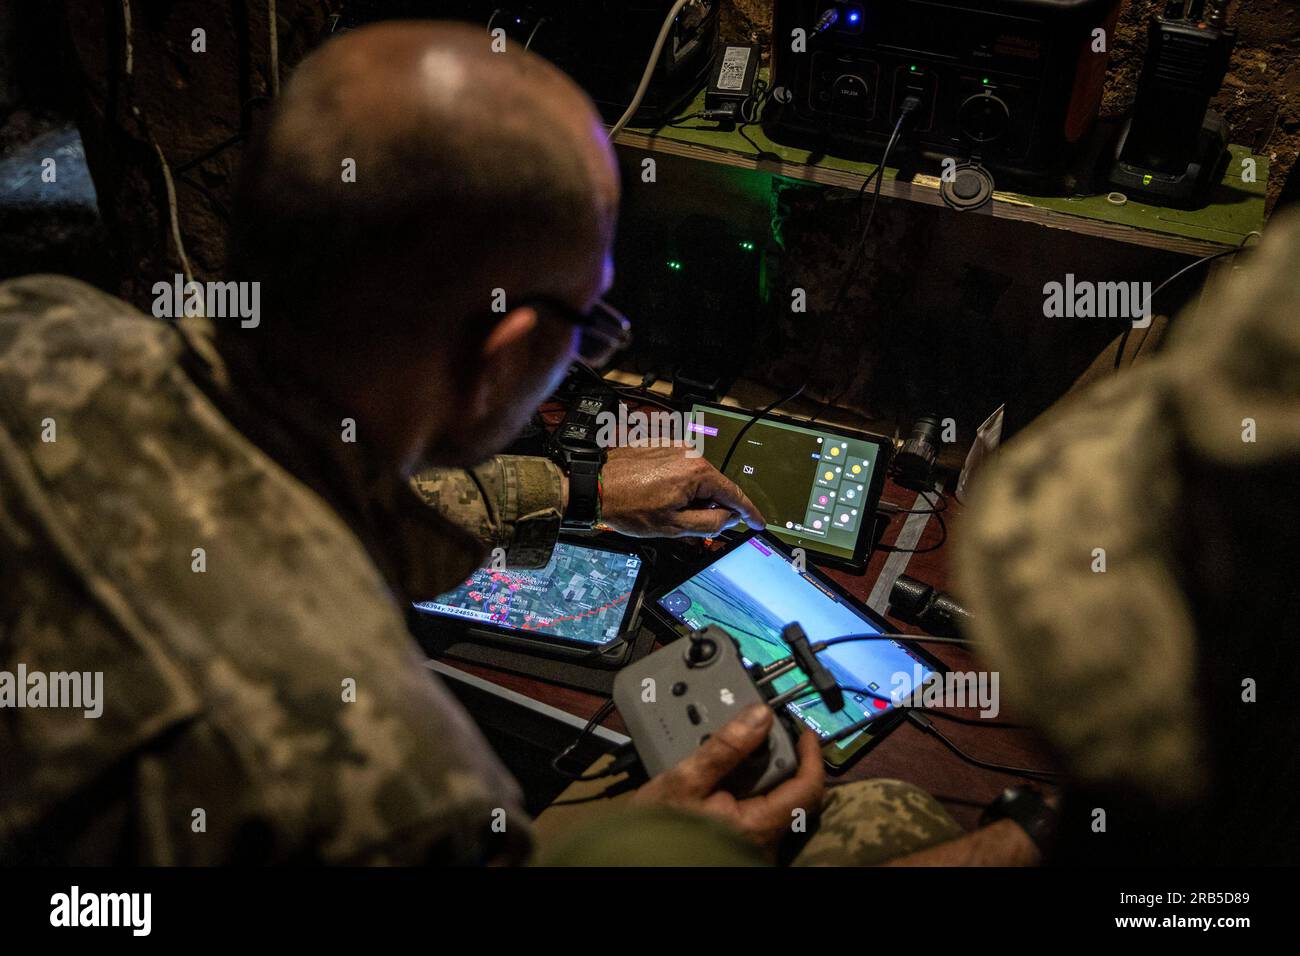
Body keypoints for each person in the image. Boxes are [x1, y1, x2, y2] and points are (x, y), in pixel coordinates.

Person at [0, 21, 969, 866]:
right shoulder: (402, 780)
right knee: (891, 815)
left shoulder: (42, 324)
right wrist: (650, 842)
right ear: (505, 349)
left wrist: (575, 485)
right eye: (586, 327)